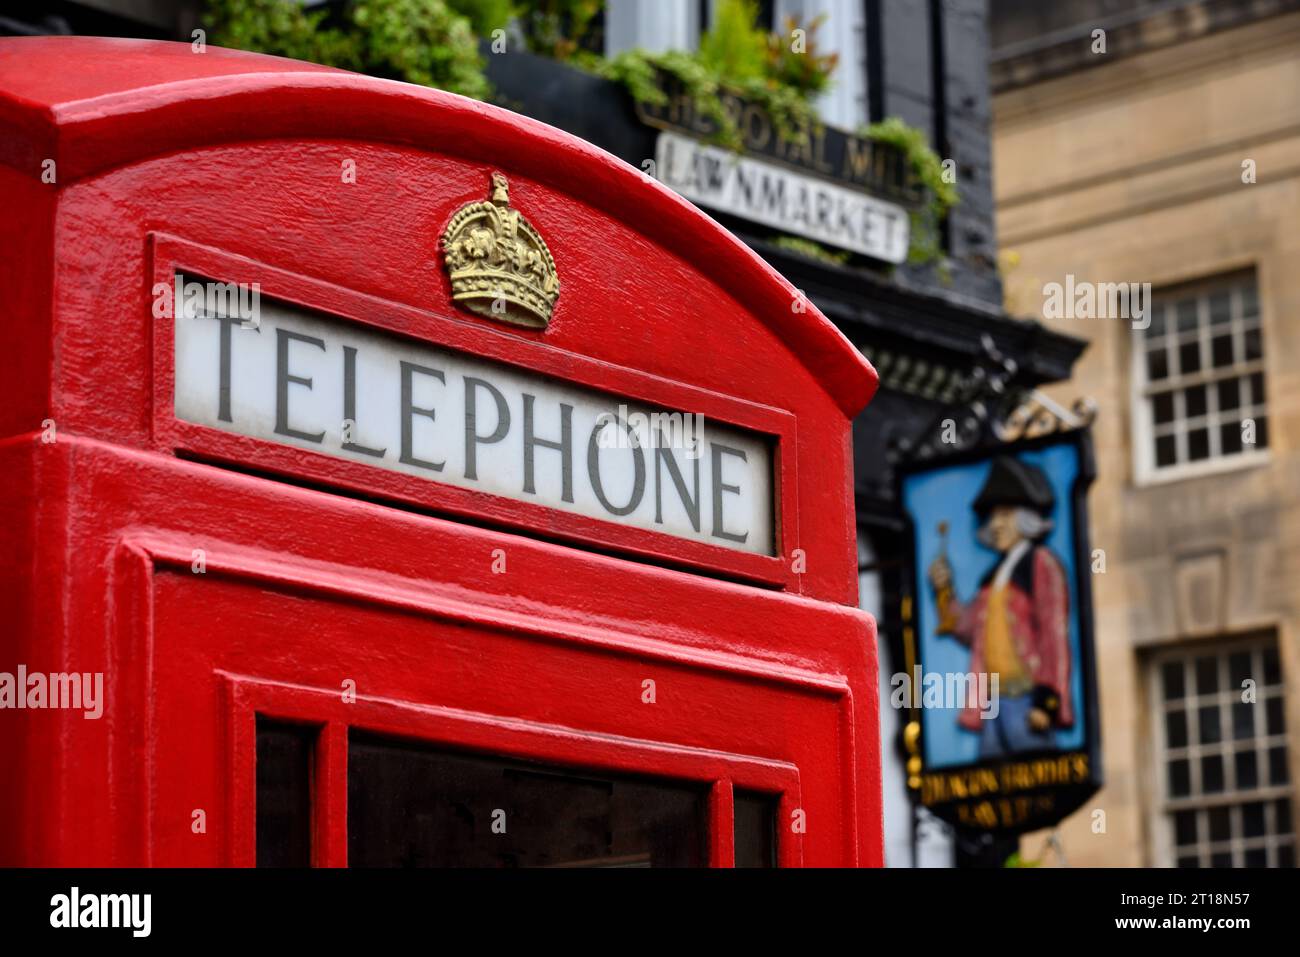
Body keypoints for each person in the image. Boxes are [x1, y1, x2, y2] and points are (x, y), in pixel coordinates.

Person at [928, 456, 1072, 758]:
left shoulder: (1040, 564)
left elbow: (1053, 635)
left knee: (1034, 784)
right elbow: (969, 629)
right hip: (992, 702)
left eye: (1004, 515)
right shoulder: (992, 578)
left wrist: (1047, 701)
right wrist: (945, 590)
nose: (995, 525)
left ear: (1026, 518)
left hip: (1026, 701)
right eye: (992, 517)